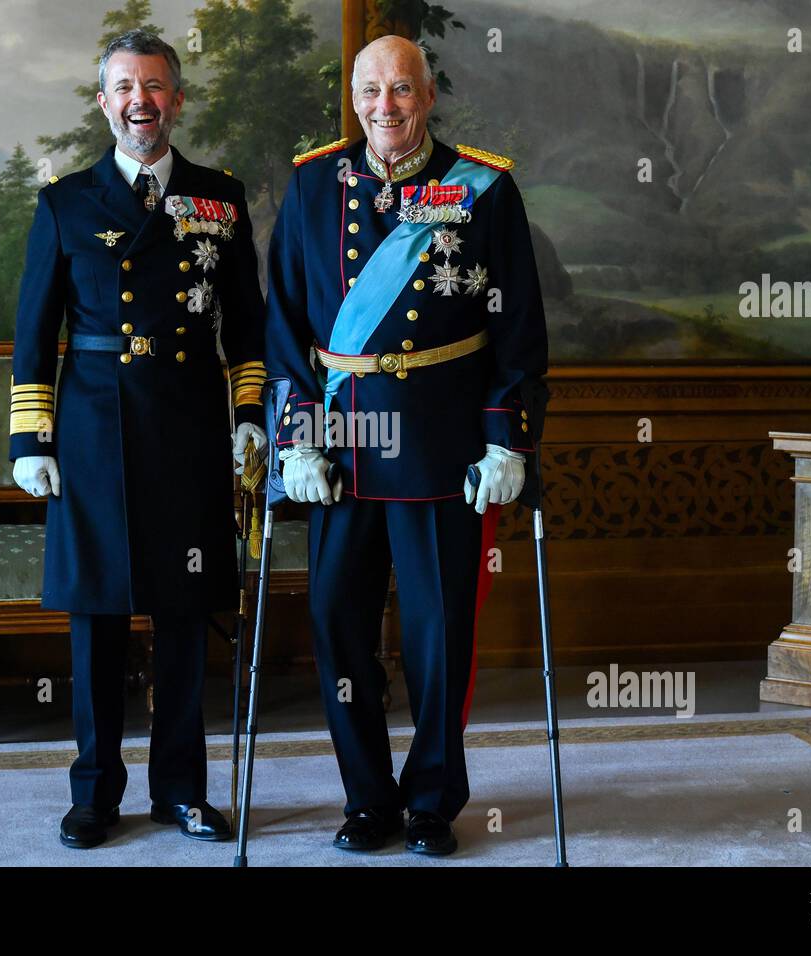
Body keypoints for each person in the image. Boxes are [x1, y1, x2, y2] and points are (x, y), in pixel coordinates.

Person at [264, 34, 548, 856]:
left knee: (438, 631)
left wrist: (508, 442)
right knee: (335, 623)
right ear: (352, 100)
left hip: (440, 441)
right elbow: (285, 327)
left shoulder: (484, 189)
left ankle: (431, 799)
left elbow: (517, 331)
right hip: (343, 444)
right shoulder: (315, 183)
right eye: (369, 92)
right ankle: (366, 799)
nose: (384, 107)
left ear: (428, 96)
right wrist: (296, 441)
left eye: (401, 90)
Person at [9, 29, 266, 850]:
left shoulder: (220, 198)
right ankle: (95, 795)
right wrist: (30, 440)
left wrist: (251, 415)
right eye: (124, 88)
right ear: (103, 101)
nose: (140, 103)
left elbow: (249, 325)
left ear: (178, 99)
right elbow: (34, 330)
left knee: (186, 615)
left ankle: (183, 791)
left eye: (154, 87)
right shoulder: (66, 203)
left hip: (190, 428)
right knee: (98, 618)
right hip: (91, 431)